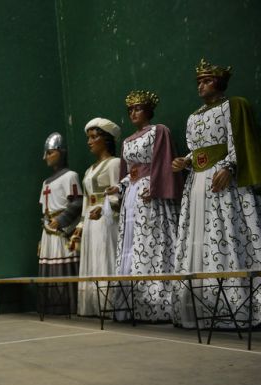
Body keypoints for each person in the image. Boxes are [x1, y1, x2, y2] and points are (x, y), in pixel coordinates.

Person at [171, 59, 261, 328]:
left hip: (223, 181)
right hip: (197, 184)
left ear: (220, 83)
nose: (201, 85)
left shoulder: (233, 106)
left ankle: (238, 305)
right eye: (199, 81)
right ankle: (204, 305)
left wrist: (230, 167)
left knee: (226, 234)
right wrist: (186, 161)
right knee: (200, 237)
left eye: (207, 80)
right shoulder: (193, 117)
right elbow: (197, 150)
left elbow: (238, 141)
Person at [112, 90, 183, 322]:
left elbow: (163, 163)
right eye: (130, 110)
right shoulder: (127, 141)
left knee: (152, 241)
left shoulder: (158, 131)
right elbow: (129, 172)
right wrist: (119, 187)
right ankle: (134, 301)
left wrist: (154, 187)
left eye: (138, 108)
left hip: (150, 194)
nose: (133, 113)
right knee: (132, 243)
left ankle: (158, 303)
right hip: (131, 196)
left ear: (149, 110)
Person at [71, 118, 123, 317]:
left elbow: (118, 193)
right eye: (88, 138)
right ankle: (93, 305)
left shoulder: (115, 163)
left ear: (106, 140)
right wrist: (81, 225)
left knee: (104, 257)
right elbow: (86, 199)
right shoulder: (89, 170)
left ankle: (109, 304)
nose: (89, 142)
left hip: (107, 220)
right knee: (92, 258)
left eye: (94, 137)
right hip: (91, 222)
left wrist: (103, 207)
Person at [37, 132, 82, 314]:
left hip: (62, 231)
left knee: (64, 266)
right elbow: (44, 208)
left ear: (61, 152)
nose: (45, 157)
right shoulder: (45, 183)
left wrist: (61, 220)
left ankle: (68, 306)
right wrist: (47, 223)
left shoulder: (70, 176)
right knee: (49, 267)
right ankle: (50, 306)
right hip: (48, 232)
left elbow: (77, 202)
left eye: (49, 153)